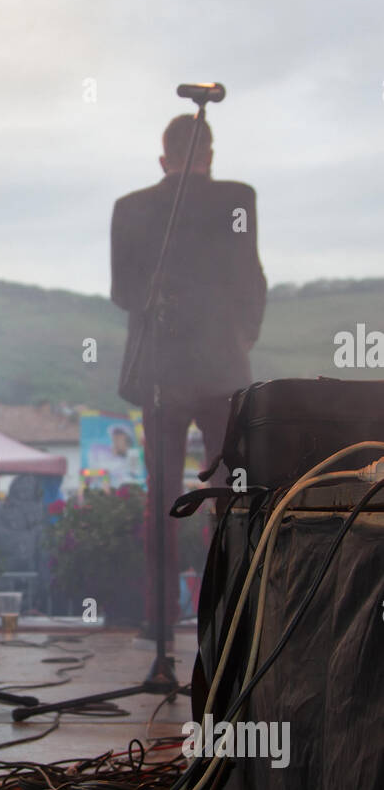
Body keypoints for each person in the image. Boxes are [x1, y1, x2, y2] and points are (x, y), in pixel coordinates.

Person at [110, 113, 267, 643]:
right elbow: (252, 275)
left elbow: (123, 294)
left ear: (163, 159)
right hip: (221, 366)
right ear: (211, 157)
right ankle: (225, 609)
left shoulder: (130, 208)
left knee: (161, 494)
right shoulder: (237, 199)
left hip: (161, 368)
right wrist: (242, 334)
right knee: (227, 491)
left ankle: (159, 618)